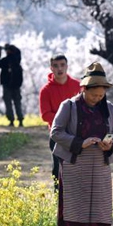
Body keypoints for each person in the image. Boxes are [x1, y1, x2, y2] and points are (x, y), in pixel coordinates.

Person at [51, 62, 113, 226]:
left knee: (100, 213)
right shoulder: (69, 106)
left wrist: (111, 144)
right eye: (94, 95)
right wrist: (79, 142)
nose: (97, 99)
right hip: (75, 167)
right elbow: (56, 132)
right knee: (77, 213)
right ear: (84, 89)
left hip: (100, 166)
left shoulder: (109, 108)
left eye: (101, 95)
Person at [39, 54, 81, 183]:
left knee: (78, 167)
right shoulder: (46, 90)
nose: (59, 68)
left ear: (67, 66)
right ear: (51, 68)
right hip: (57, 134)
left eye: (62, 65)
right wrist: (66, 118)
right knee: (58, 168)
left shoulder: (78, 85)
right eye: (56, 66)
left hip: (77, 133)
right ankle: (59, 194)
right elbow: (45, 115)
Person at [0, 44, 24, 127]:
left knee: (8, 103)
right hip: (16, 86)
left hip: (7, 86)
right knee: (17, 103)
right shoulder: (17, 61)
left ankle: (11, 120)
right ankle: (20, 120)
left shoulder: (5, 61)